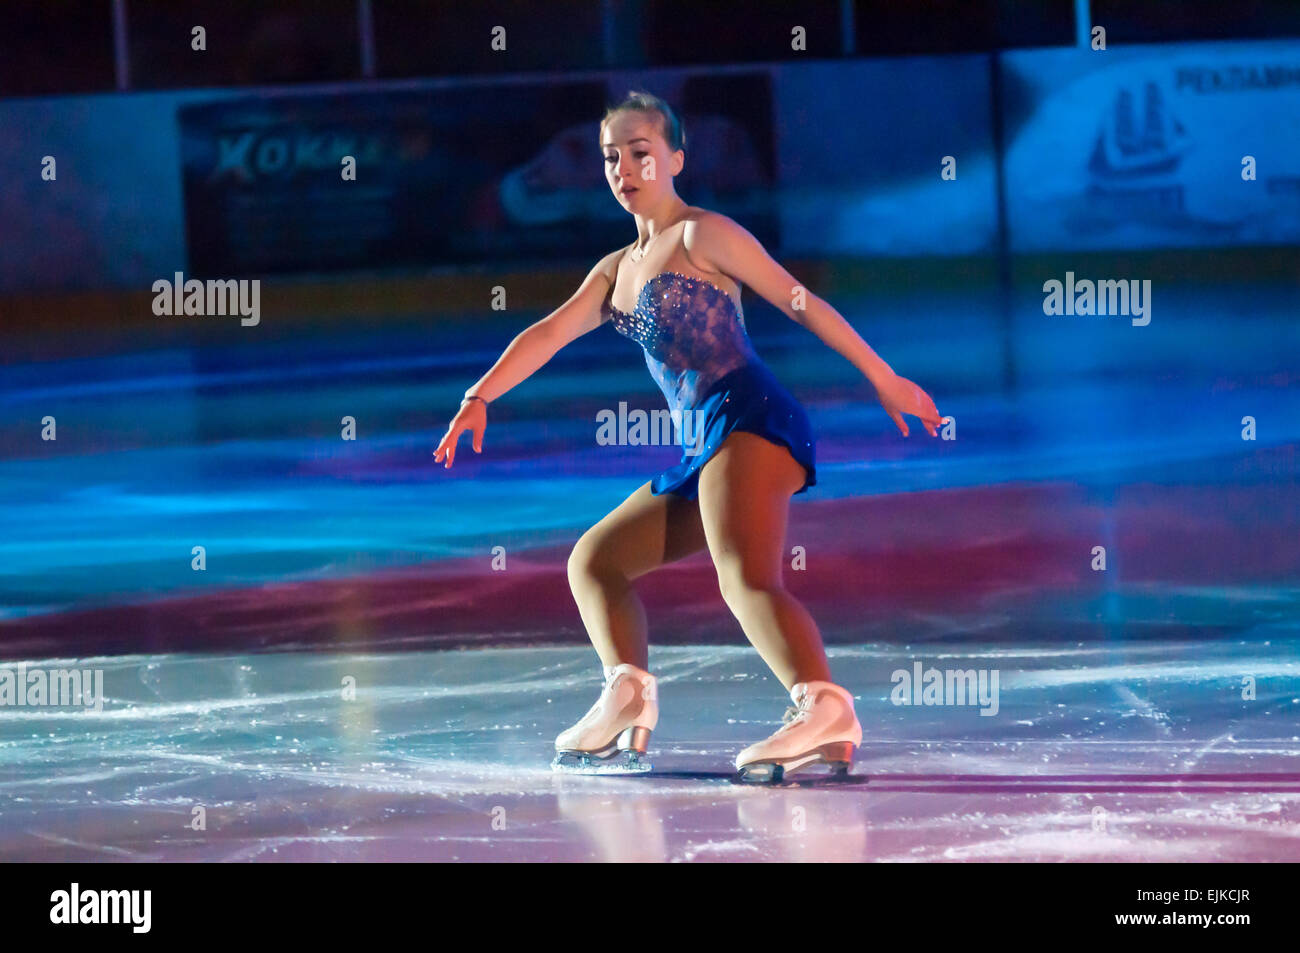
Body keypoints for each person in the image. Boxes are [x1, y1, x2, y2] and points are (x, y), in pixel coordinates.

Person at [435, 91, 943, 782]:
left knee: (744, 575)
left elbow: (800, 299)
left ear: (676, 156)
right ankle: (627, 697)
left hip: (752, 417)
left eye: (641, 152)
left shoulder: (703, 235)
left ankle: (824, 706)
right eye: (612, 157)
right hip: (702, 445)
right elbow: (549, 331)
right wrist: (479, 394)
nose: (625, 168)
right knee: (595, 562)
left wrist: (883, 377)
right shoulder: (615, 269)